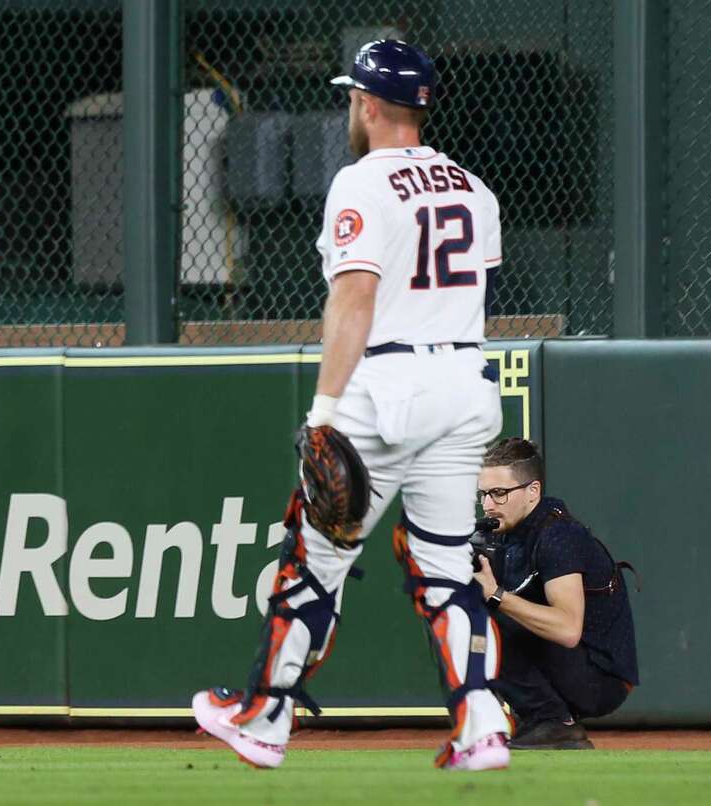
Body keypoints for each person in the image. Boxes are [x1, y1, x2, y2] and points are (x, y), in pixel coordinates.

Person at [192, 40, 511, 771]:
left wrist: (325, 410)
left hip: (388, 389)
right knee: (446, 570)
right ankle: (482, 724)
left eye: (352, 97)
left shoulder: (362, 183)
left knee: (314, 560)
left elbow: (356, 295)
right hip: (465, 384)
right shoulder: (473, 188)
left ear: (367, 103)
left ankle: (265, 718)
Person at [474, 438, 638, 749]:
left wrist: (495, 595)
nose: (488, 505)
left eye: (499, 493)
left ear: (533, 491)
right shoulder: (507, 533)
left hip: (600, 678)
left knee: (475, 613)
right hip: (568, 665)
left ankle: (553, 720)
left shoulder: (557, 535)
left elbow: (567, 629)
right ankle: (539, 719)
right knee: (452, 607)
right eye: (483, 494)